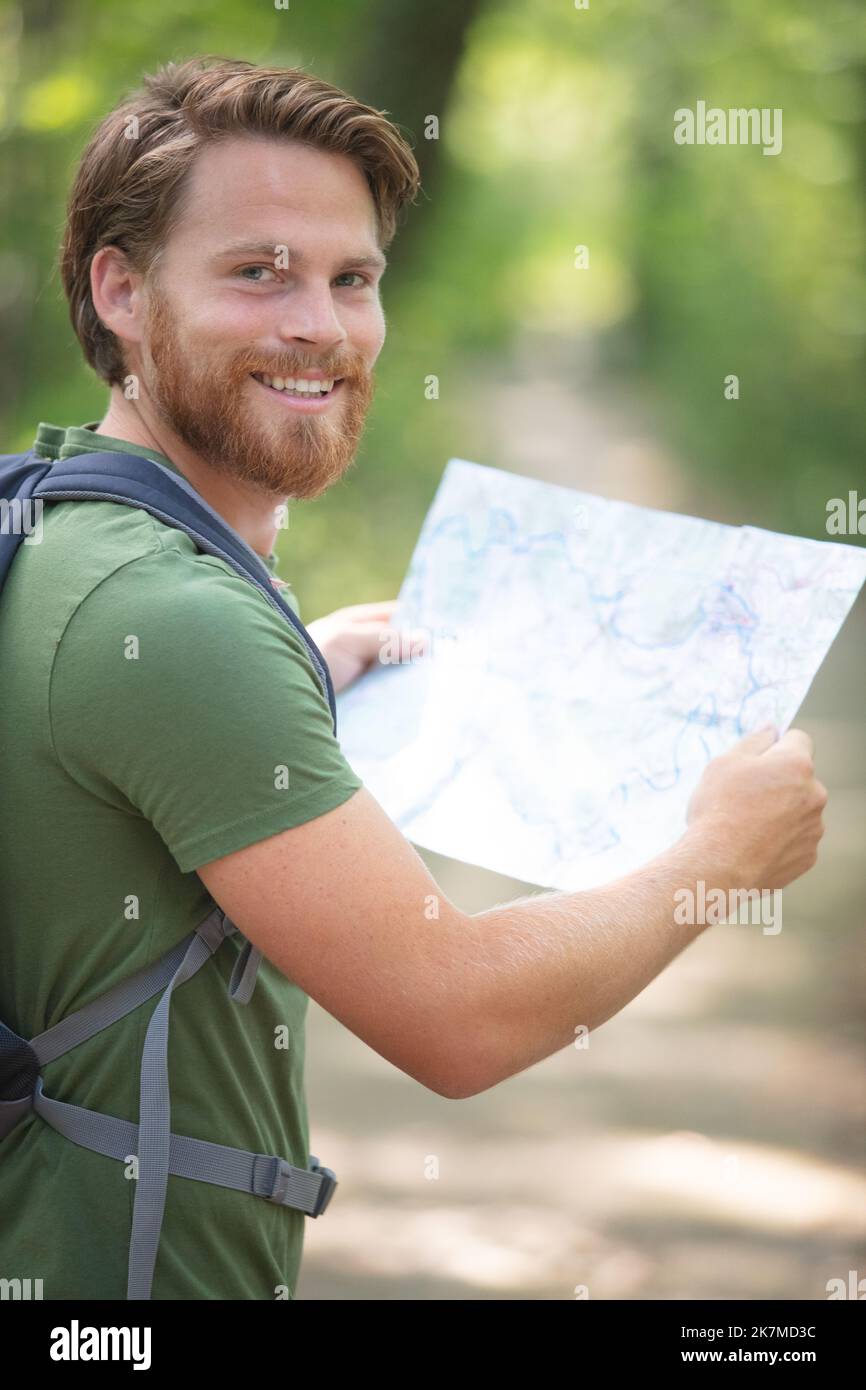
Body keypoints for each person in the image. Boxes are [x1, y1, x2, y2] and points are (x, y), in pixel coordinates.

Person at [0, 56, 827, 1301]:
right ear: (119, 289)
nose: (320, 326)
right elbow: (455, 1017)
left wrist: (289, 678)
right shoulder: (172, 617)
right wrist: (718, 856)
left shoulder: (54, 520)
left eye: (353, 279)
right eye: (256, 271)